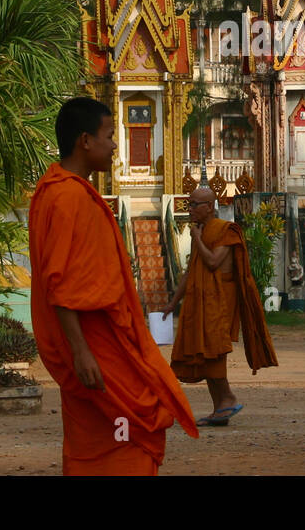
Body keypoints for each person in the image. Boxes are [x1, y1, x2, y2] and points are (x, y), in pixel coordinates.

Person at [29, 97, 198, 475]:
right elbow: (58, 283)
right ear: (85, 141)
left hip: (105, 341)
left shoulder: (70, 192)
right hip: (92, 347)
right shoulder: (65, 196)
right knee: (134, 424)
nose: (116, 146)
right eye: (109, 135)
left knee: (113, 431)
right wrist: (82, 351)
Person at [161, 186, 277, 426]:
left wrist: (196, 239)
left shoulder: (226, 231)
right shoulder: (201, 231)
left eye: (194, 205)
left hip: (219, 301)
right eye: (189, 204)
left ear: (210, 207)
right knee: (203, 354)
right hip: (200, 300)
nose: (190, 209)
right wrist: (173, 302)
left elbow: (213, 262)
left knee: (213, 351)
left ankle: (228, 399)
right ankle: (221, 406)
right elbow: (190, 271)